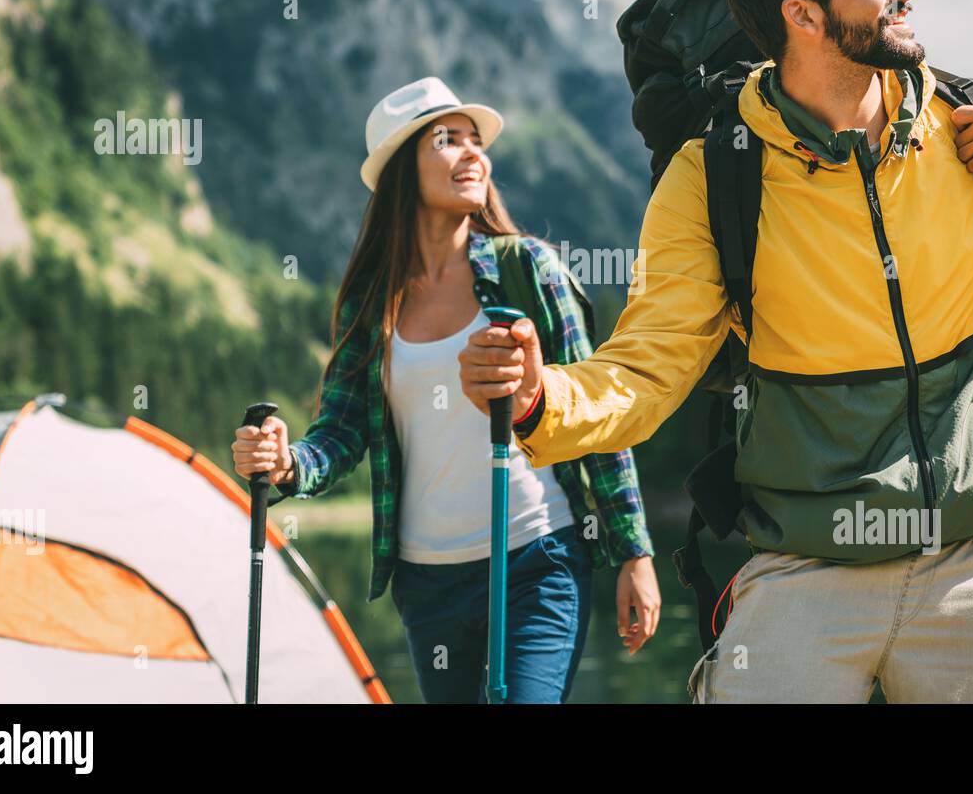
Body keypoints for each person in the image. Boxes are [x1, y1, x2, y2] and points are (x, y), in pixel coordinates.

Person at [461, 0, 973, 703]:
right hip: (806, 567)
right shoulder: (713, 175)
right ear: (803, 14)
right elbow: (650, 367)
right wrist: (542, 397)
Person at [232, 76, 659, 703]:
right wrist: (288, 461)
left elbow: (591, 411)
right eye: (448, 140)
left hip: (536, 559)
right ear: (405, 167)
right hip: (427, 584)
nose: (474, 154)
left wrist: (635, 552)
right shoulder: (372, 299)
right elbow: (341, 431)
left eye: (476, 141)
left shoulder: (527, 270)